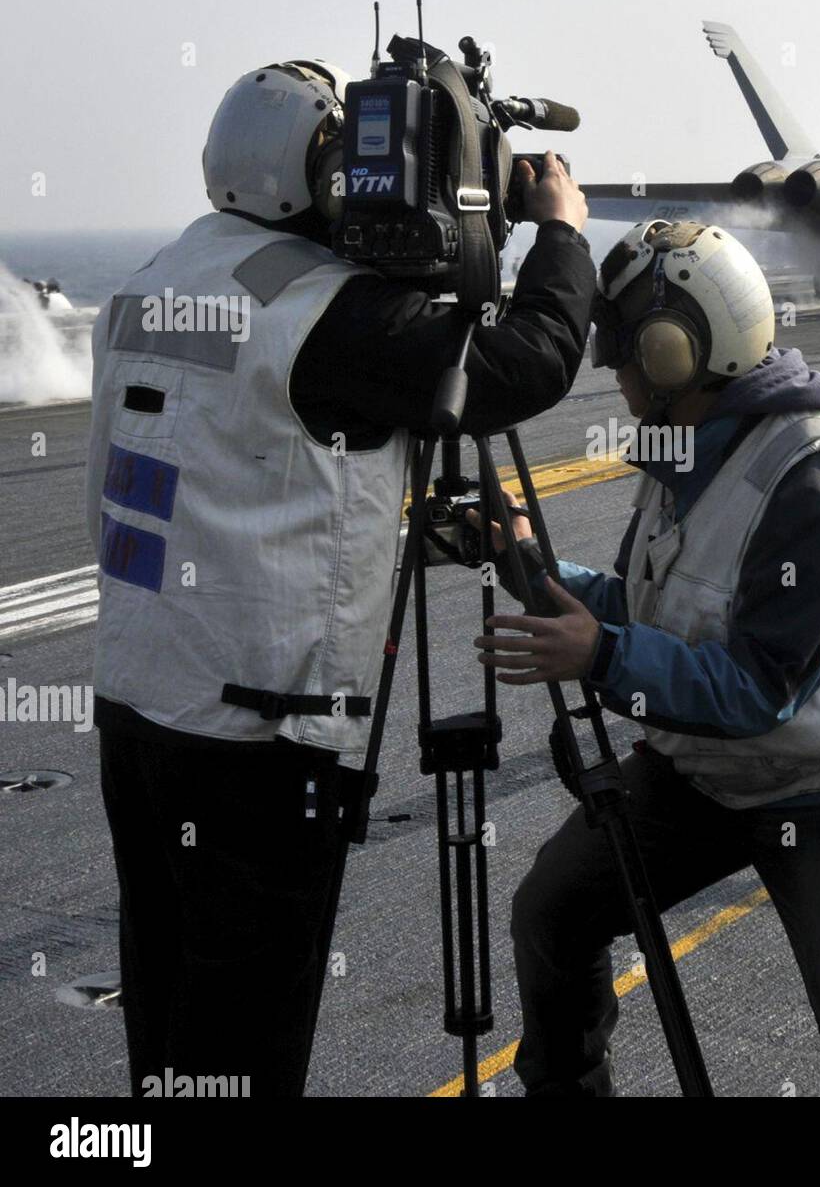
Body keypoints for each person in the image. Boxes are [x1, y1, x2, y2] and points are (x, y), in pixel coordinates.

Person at [87, 58, 594, 1096]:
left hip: (138, 707)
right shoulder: (322, 311)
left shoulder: (152, 280)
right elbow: (525, 365)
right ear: (316, 173)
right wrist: (562, 229)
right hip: (258, 738)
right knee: (243, 1052)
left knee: (171, 1015)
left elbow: (259, 454)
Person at [474, 218, 820, 1097]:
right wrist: (522, 560)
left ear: (669, 355)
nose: (610, 374)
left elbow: (761, 687)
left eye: (619, 352)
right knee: (555, 911)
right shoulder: (686, 451)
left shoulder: (817, 480)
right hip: (708, 765)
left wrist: (602, 657)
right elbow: (646, 607)